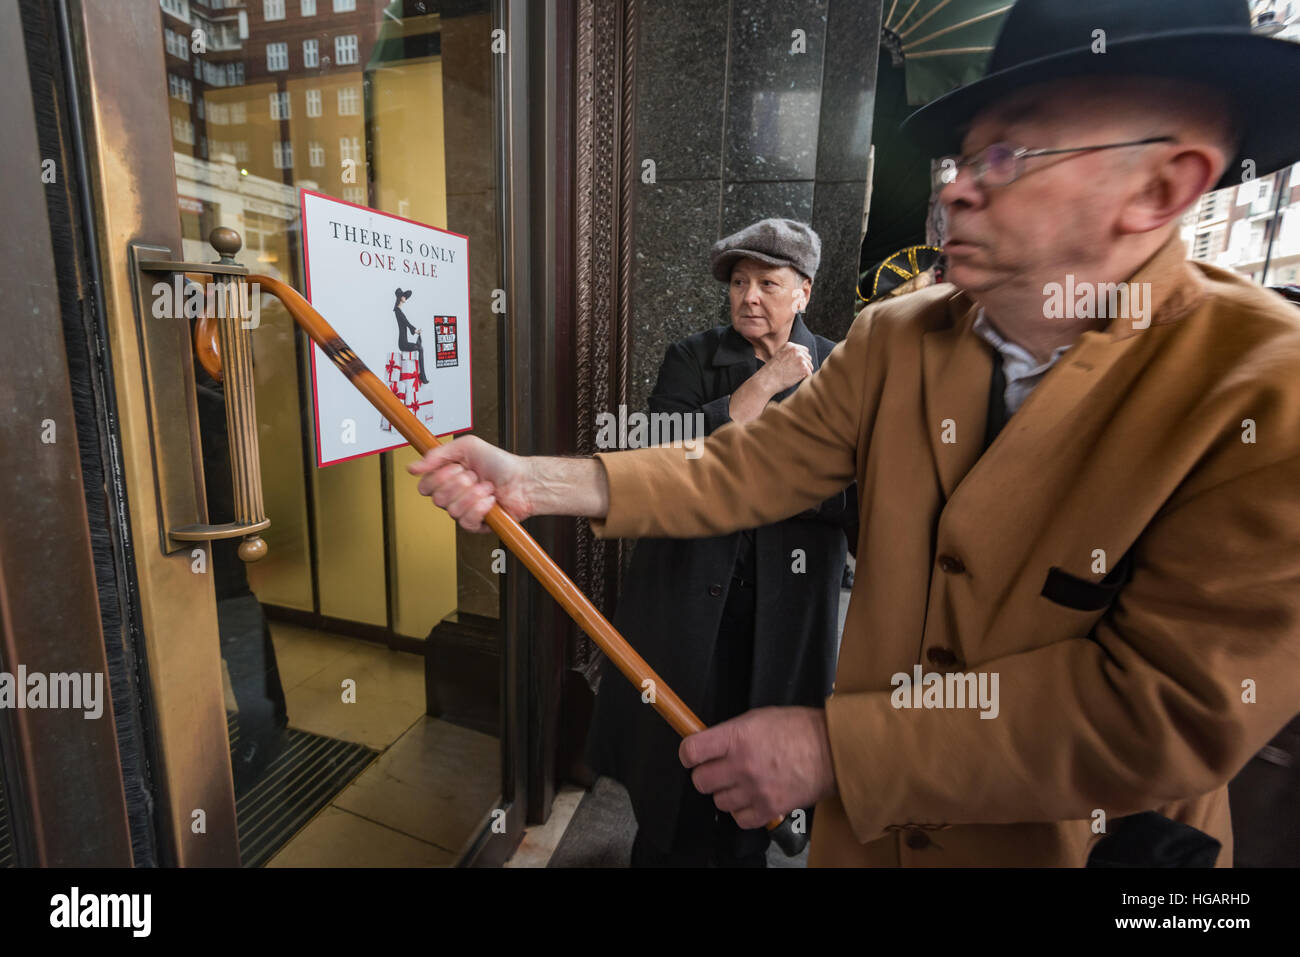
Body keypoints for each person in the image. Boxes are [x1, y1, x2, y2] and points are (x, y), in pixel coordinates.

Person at [409, 0, 1300, 866]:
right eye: (962, 154)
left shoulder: (1262, 389)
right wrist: (532, 480)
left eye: (1008, 152)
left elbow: (1167, 707)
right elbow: (740, 467)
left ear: (1159, 185)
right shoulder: (897, 337)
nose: (956, 186)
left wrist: (839, 749)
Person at [585, 219, 857, 868]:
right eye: (739, 282)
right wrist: (756, 392)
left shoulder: (842, 367)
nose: (749, 296)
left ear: (805, 292)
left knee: (753, 766)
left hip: (783, 612)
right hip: (688, 600)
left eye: (768, 282)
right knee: (671, 763)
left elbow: (856, 487)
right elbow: (653, 456)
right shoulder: (693, 358)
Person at [393, 287, 429, 385]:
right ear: (400, 297)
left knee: (420, 348)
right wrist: (415, 330)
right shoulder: (397, 311)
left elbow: (406, 323)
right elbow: (406, 322)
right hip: (403, 343)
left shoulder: (399, 310)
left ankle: (422, 375)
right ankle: (422, 375)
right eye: (404, 296)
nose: (405, 298)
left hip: (404, 341)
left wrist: (414, 330)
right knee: (420, 349)